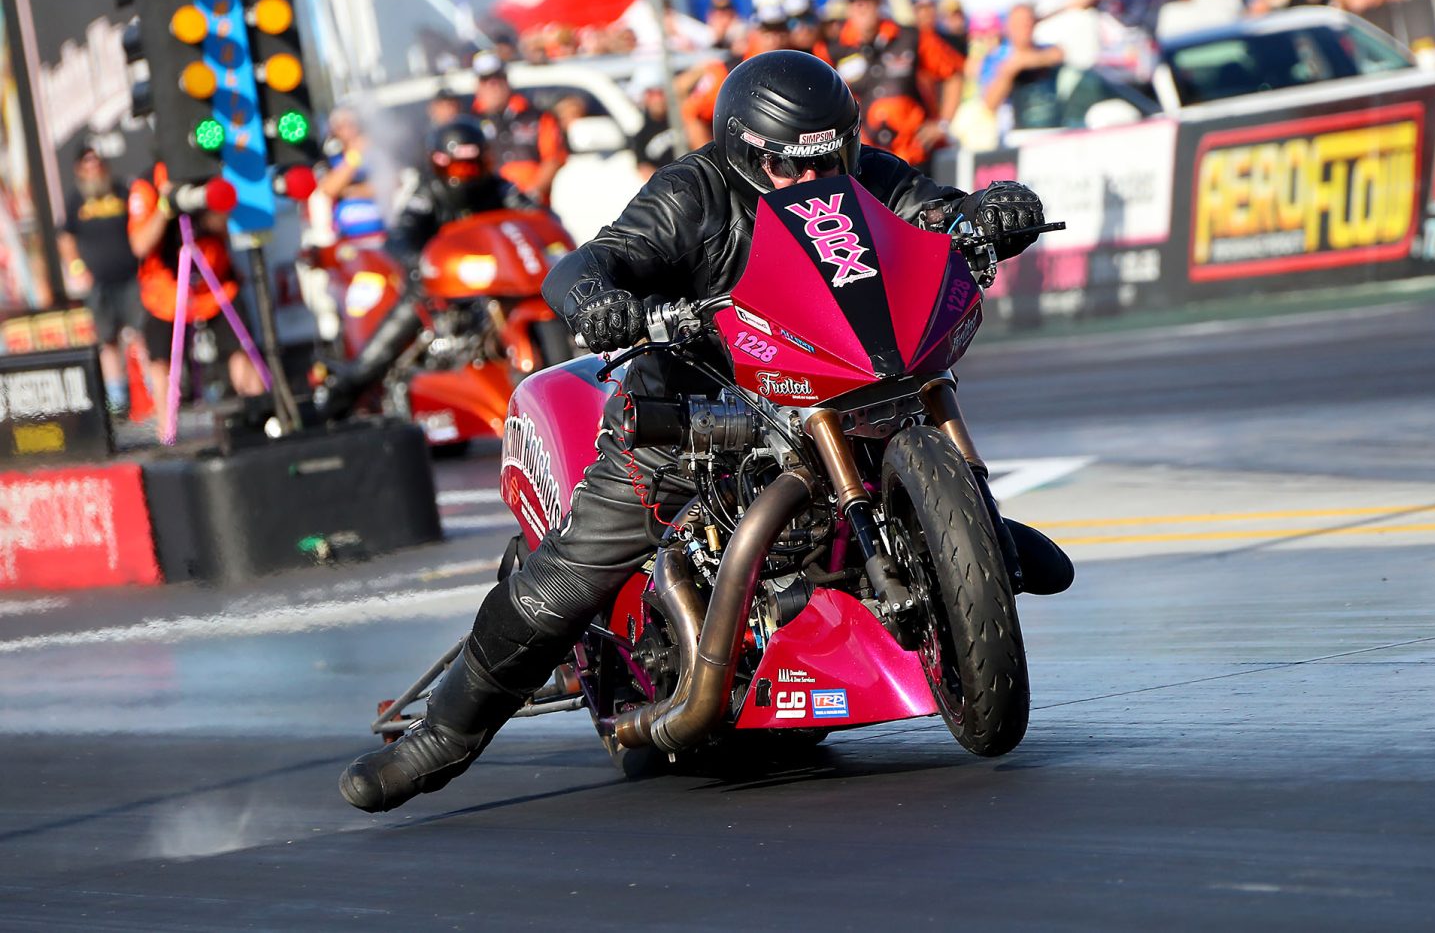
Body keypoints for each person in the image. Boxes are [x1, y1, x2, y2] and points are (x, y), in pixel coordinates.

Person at [338, 50, 1075, 814]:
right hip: (698, 420)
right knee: (565, 578)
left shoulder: (863, 175)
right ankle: (441, 739)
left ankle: (965, 534)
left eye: (833, 156)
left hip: (838, 397)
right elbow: (593, 260)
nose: (815, 178)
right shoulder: (690, 194)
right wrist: (600, 298)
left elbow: (931, 210)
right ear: (743, 150)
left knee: (914, 407)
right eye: (791, 165)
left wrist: (987, 212)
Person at [316, 118, 541, 418]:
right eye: (459, 169)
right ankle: (353, 378)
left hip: (500, 279)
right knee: (415, 298)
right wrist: (418, 263)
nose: (467, 176)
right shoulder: (427, 193)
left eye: (473, 166)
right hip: (447, 282)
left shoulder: (501, 189)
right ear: (440, 166)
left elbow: (537, 217)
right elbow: (401, 236)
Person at [126, 163, 264, 436]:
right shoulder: (147, 182)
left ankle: (259, 417)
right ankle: (167, 431)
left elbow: (227, 225)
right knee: (161, 360)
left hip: (215, 286)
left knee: (241, 350)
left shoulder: (209, 168)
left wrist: (204, 204)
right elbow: (140, 244)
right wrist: (167, 206)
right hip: (167, 293)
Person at [832, 0, 964, 171]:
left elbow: (953, 73)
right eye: (853, 1)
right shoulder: (835, 50)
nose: (860, 6)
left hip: (920, 152)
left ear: (878, 0)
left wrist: (943, 124)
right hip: (870, 160)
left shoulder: (911, 37)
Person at [57, 146, 141, 415]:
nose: (93, 167)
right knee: (108, 340)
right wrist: (77, 267)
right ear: (79, 169)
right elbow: (65, 237)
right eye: (87, 162)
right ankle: (117, 400)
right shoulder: (75, 199)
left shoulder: (121, 190)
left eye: (97, 161)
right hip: (99, 283)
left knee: (140, 334)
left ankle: (149, 392)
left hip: (130, 277)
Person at [471, 51, 569, 208]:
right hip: (488, 207)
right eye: (486, 80)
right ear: (477, 85)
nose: (493, 85)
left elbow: (553, 158)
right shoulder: (470, 122)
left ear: (507, 80)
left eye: (498, 78)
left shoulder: (536, 116)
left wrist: (532, 195)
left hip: (532, 205)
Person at [318, 107, 387, 242]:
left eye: (351, 124)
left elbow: (387, 185)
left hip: (382, 231)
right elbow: (329, 189)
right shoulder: (331, 159)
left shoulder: (375, 154)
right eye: (341, 126)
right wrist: (354, 156)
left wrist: (348, 190)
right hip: (350, 239)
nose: (348, 130)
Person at [626, 65, 680, 180]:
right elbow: (643, 168)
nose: (658, 99)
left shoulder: (683, 120)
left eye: (660, 93)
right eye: (652, 94)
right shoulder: (640, 134)